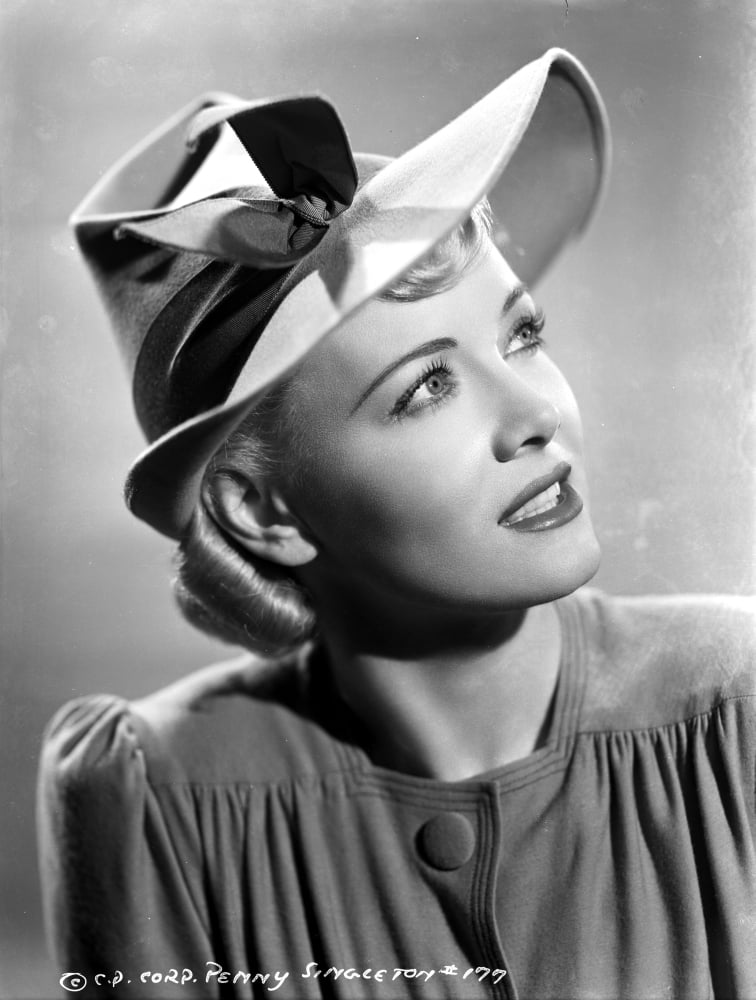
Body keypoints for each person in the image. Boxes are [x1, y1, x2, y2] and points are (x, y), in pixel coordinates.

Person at [37, 49, 755, 999]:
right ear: (262, 512)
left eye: (522, 334)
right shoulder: (159, 803)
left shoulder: (736, 713)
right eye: (426, 387)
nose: (534, 413)